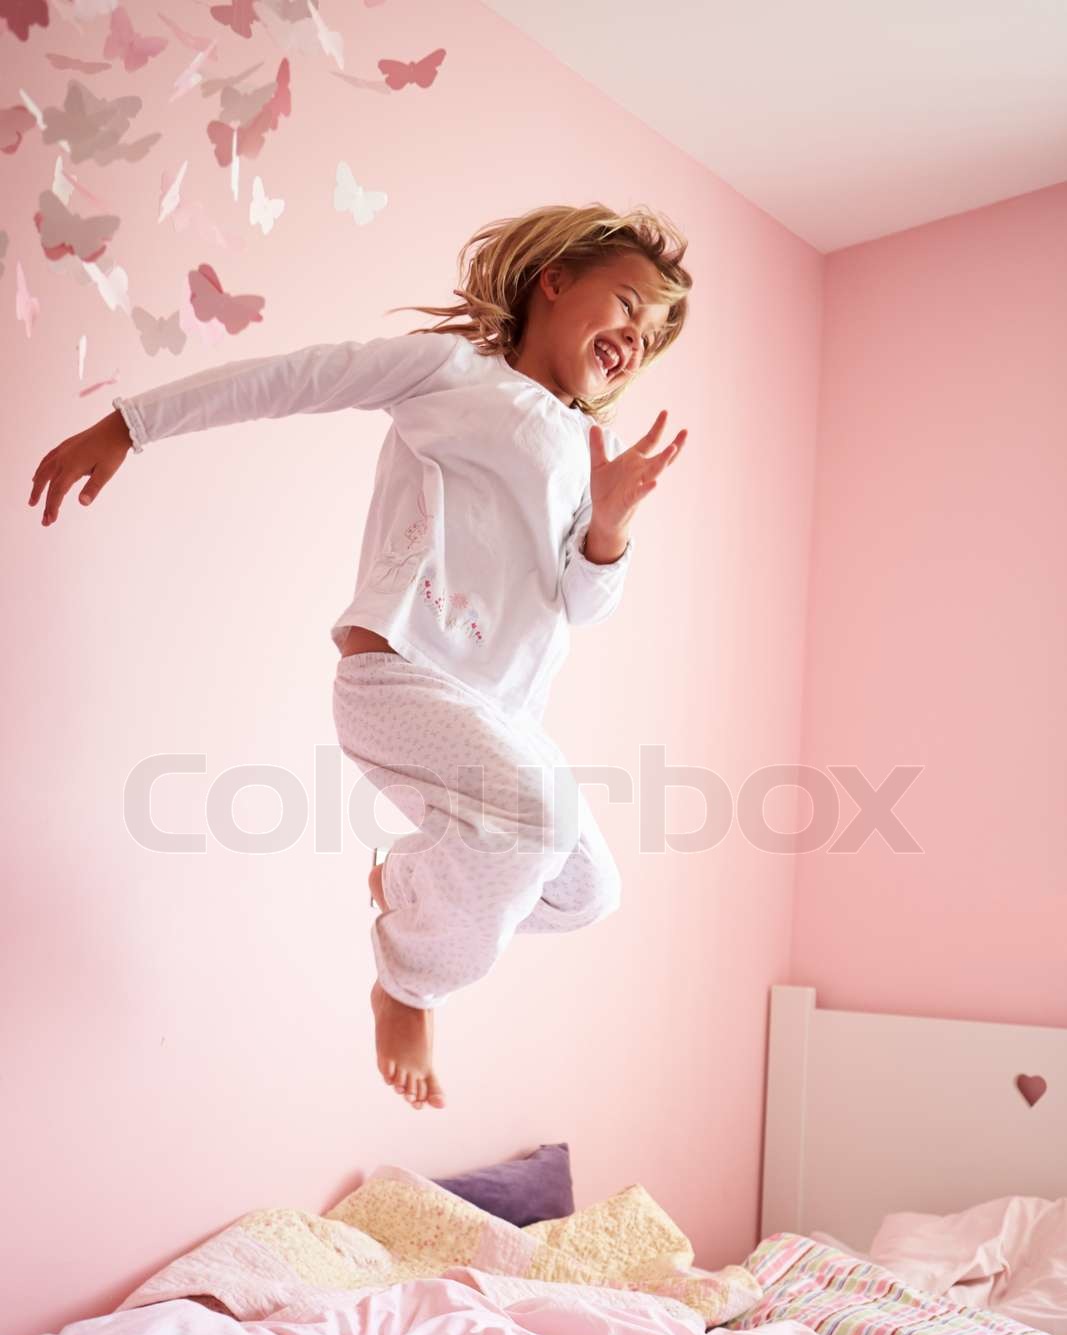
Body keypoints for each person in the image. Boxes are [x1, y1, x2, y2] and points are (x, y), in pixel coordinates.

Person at [28, 202, 692, 1114]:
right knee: (535, 825)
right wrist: (129, 425)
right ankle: (407, 984)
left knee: (588, 893)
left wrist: (609, 523)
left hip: (497, 722)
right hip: (402, 678)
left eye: (650, 337)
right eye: (627, 304)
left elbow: (580, 602)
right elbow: (290, 379)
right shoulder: (452, 371)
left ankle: (409, 881)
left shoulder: (590, 450)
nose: (634, 338)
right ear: (554, 281)